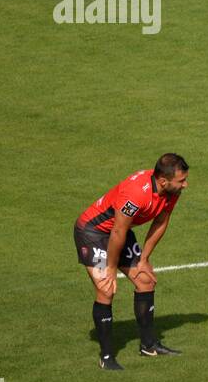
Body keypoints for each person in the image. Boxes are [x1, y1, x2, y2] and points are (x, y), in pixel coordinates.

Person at [73, 154, 189, 369]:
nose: (185, 184)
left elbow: (162, 221)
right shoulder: (136, 194)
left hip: (119, 233)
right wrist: (110, 268)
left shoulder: (171, 191)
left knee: (145, 280)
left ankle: (149, 345)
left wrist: (144, 259)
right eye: (181, 181)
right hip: (94, 233)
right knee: (106, 289)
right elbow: (117, 230)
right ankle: (107, 357)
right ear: (163, 181)